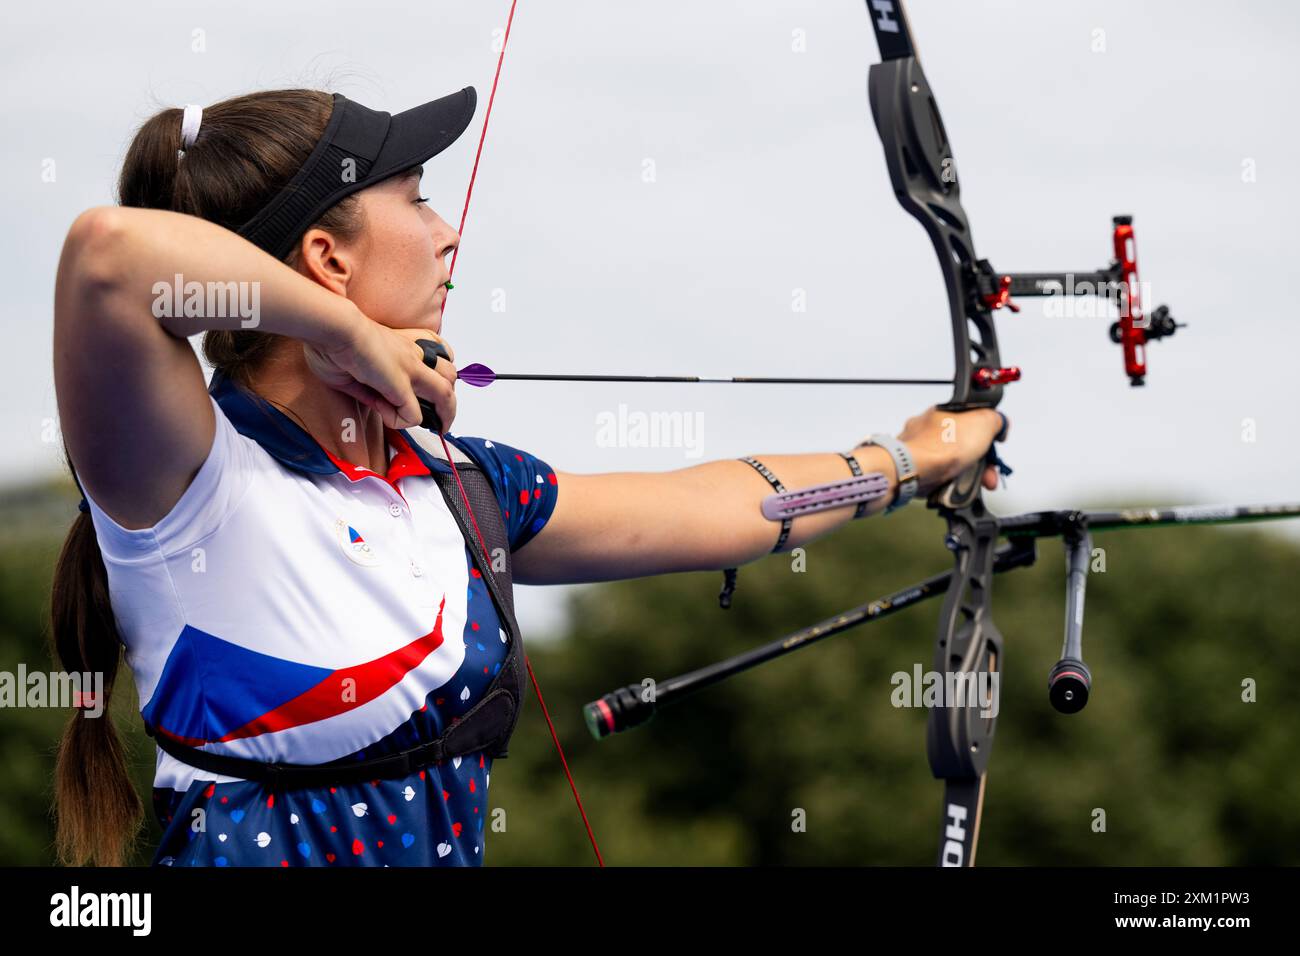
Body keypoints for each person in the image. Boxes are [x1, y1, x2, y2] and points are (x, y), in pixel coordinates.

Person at [49, 87, 1006, 867]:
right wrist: (348, 336)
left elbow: (722, 506)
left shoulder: (464, 490)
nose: (449, 230)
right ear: (326, 258)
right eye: (418, 199)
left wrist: (908, 461)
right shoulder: (192, 477)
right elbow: (106, 258)